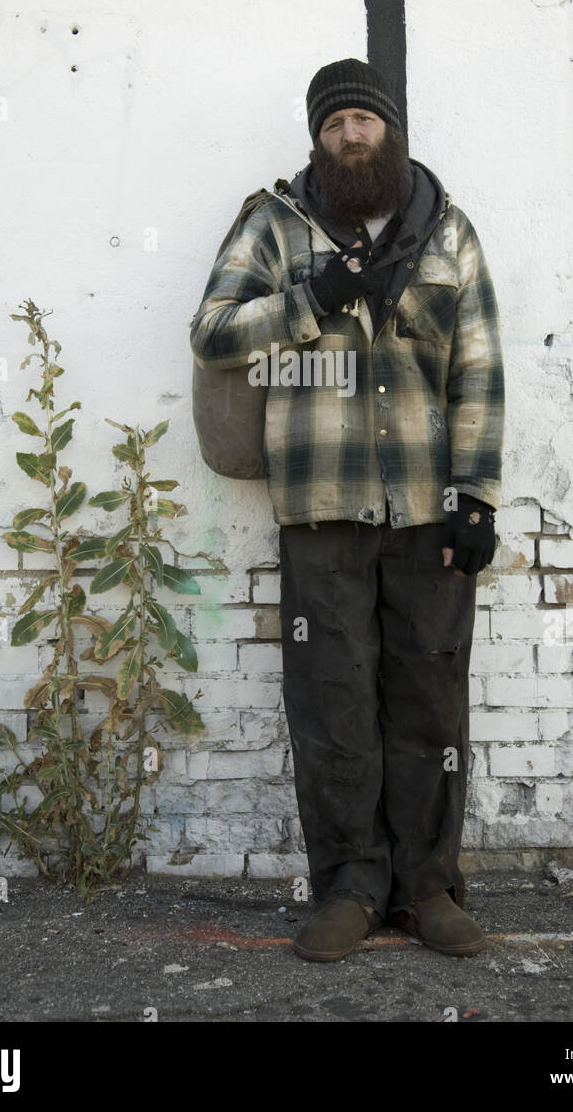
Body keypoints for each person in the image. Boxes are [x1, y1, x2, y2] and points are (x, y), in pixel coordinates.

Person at [190, 58, 505, 961]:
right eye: (333, 125)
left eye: (364, 120)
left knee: (429, 702)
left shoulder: (449, 233)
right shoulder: (276, 226)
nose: (350, 136)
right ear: (317, 138)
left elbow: (477, 367)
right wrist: (311, 299)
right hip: (320, 507)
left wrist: (475, 499)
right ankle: (351, 890)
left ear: (391, 132)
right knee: (332, 703)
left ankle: (430, 890)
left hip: (426, 512)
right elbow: (212, 332)